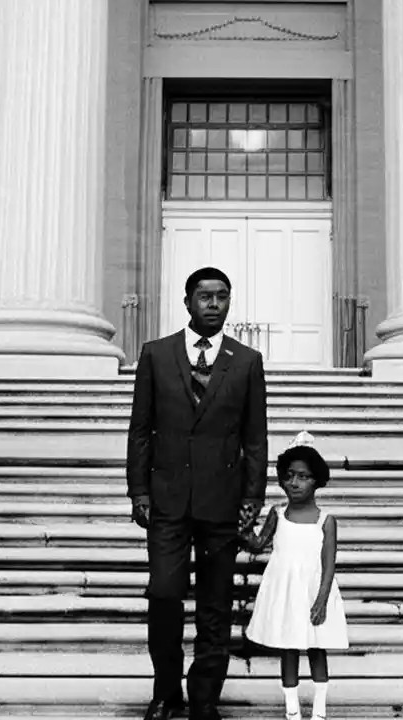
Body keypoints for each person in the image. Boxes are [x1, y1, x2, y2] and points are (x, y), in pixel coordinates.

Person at [127, 266, 269, 720]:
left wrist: (252, 497)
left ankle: (205, 697)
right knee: (165, 594)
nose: (213, 303)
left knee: (215, 604)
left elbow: (255, 437)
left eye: (222, 296)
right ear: (187, 302)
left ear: (229, 303)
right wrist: (138, 491)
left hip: (222, 501)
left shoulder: (246, 361)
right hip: (167, 499)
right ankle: (167, 692)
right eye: (204, 296)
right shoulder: (156, 354)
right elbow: (141, 429)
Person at [243, 431, 349, 720]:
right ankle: (291, 708)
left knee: (316, 647)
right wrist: (243, 528)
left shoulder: (326, 521)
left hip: (313, 589)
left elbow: (328, 564)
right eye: (289, 475)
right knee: (288, 647)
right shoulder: (277, 514)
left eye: (303, 476)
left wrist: (322, 600)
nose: (294, 482)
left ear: (317, 481)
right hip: (285, 590)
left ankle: (319, 708)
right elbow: (258, 544)